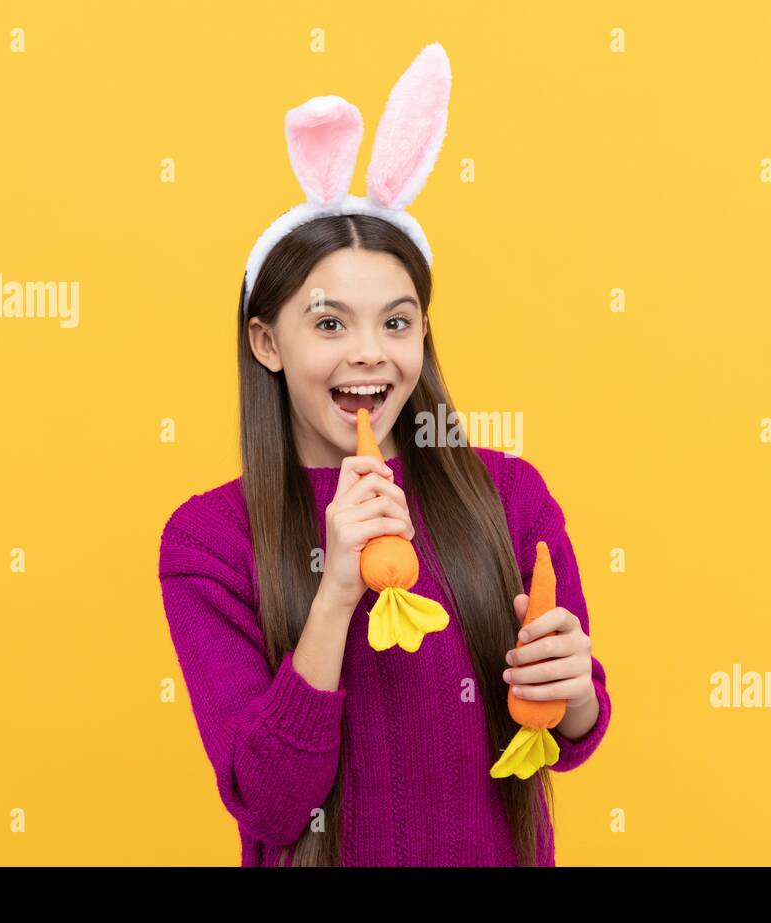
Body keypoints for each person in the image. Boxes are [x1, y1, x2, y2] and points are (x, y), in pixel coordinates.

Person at [157, 42, 610, 866]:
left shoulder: (508, 496)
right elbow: (269, 802)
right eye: (331, 324)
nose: (371, 353)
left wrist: (572, 690)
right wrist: (334, 590)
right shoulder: (208, 540)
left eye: (396, 322)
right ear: (266, 341)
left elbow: (576, 734)